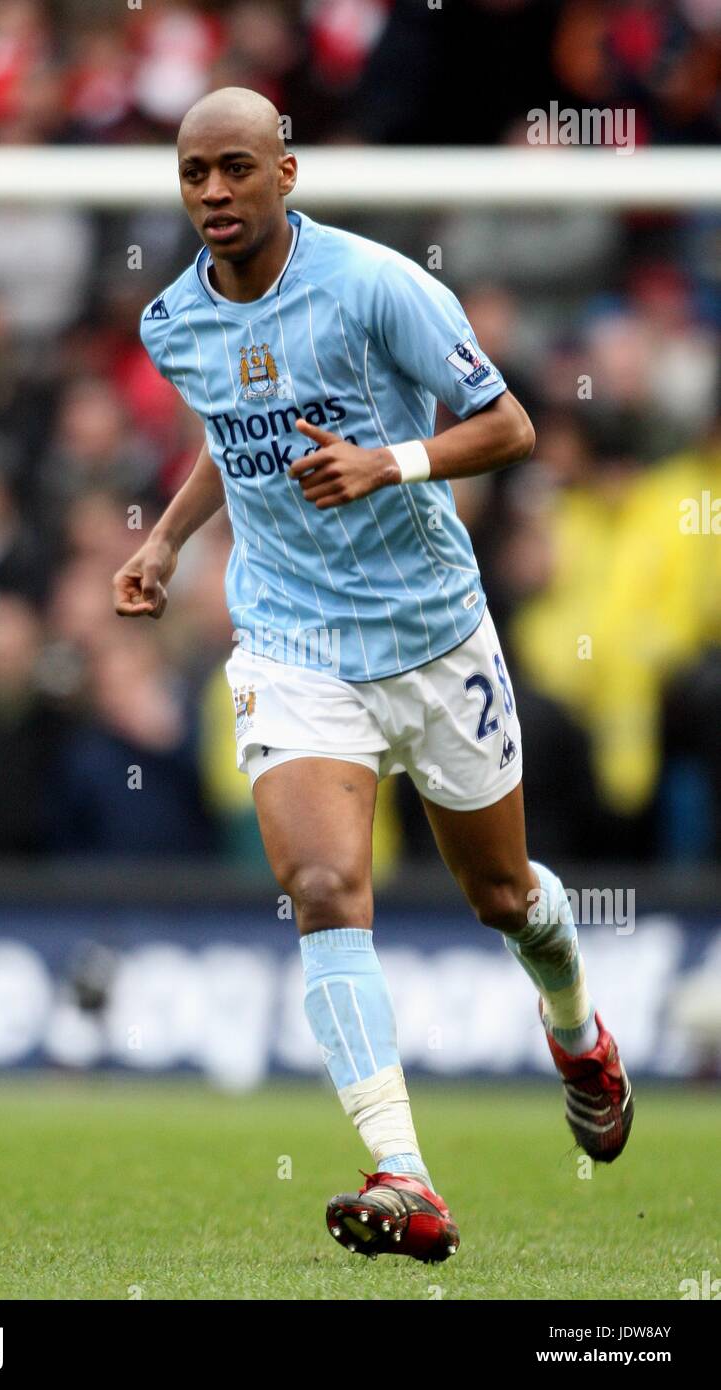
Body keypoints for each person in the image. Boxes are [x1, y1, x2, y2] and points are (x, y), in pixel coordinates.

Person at [113, 87, 633, 1264]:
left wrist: (386, 462)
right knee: (319, 882)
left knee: (500, 898)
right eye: (193, 174)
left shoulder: (376, 286)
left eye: (234, 168)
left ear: (285, 174)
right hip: (292, 642)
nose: (211, 193)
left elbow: (506, 428)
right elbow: (229, 429)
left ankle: (576, 1028)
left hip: (432, 633)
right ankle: (403, 1174)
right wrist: (166, 538)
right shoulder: (170, 323)